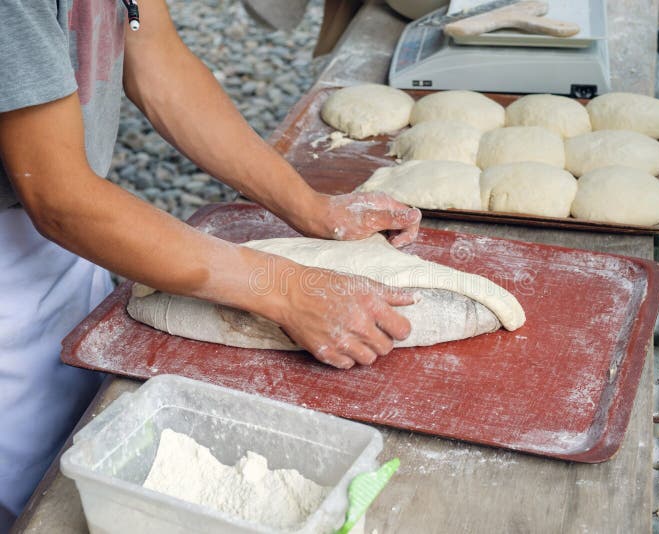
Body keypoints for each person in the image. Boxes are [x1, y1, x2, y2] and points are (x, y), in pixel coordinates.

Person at [0, 0, 421, 527]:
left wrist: (310, 207)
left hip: (56, 235)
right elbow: (59, 199)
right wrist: (283, 287)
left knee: (94, 438)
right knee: (42, 497)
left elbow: (157, 60)